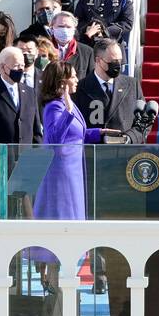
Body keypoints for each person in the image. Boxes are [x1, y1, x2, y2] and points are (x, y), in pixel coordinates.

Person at [36, 61, 118, 222]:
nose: (77, 80)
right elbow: (55, 139)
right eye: (72, 76)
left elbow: (73, 135)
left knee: (75, 212)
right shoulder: (55, 107)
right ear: (62, 82)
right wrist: (68, 110)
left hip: (73, 170)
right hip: (61, 173)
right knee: (64, 214)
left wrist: (98, 133)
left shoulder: (67, 103)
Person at [75, 38, 148, 145]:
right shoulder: (79, 88)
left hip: (124, 152)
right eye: (113, 62)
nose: (117, 65)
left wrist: (130, 138)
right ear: (98, 60)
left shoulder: (132, 85)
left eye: (120, 61)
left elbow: (144, 119)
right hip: (93, 154)